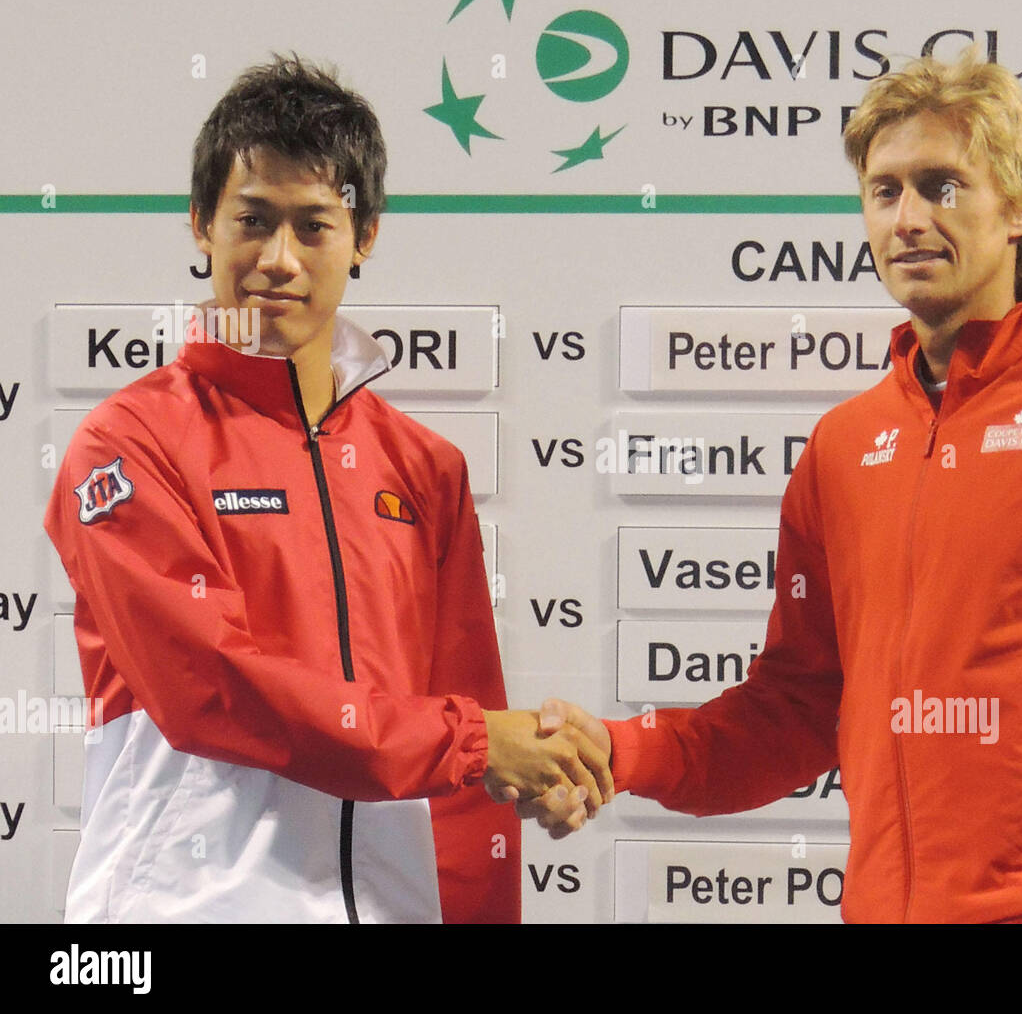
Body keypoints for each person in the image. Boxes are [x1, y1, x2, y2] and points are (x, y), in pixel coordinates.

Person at [526, 49, 1022, 923]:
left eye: (943, 185)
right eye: (885, 190)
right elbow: (795, 711)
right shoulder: (844, 444)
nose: (909, 219)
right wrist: (618, 750)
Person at [45, 54, 611, 924]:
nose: (279, 260)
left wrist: (504, 777)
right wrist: (474, 744)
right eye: (252, 221)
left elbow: (465, 756)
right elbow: (216, 689)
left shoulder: (424, 467)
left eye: (314, 225)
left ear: (365, 234)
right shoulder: (128, 444)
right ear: (201, 225)